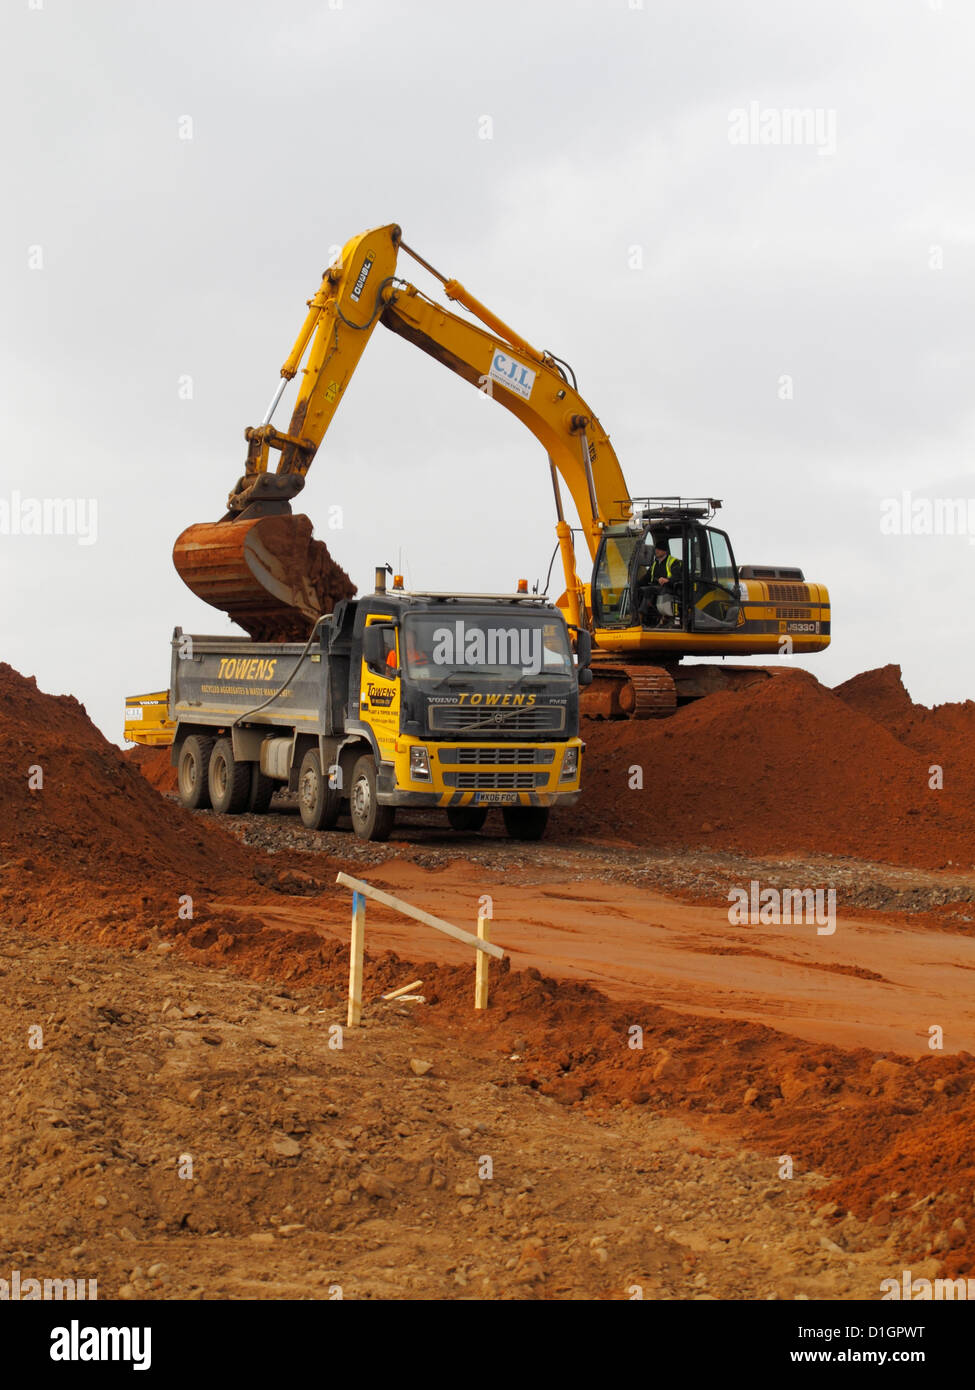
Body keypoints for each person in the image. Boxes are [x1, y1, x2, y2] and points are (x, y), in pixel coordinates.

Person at [638, 534, 682, 627]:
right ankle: (639, 615)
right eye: (656, 549)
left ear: (664, 551)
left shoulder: (673, 562)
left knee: (649, 590)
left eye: (659, 549)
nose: (656, 551)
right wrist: (636, 583)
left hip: (668, 587)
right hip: (655, 587)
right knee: (639, 590)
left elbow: (677, 576)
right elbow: (647, 576)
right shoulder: (655, 563)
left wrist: (667, 580)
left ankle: (640, 616)